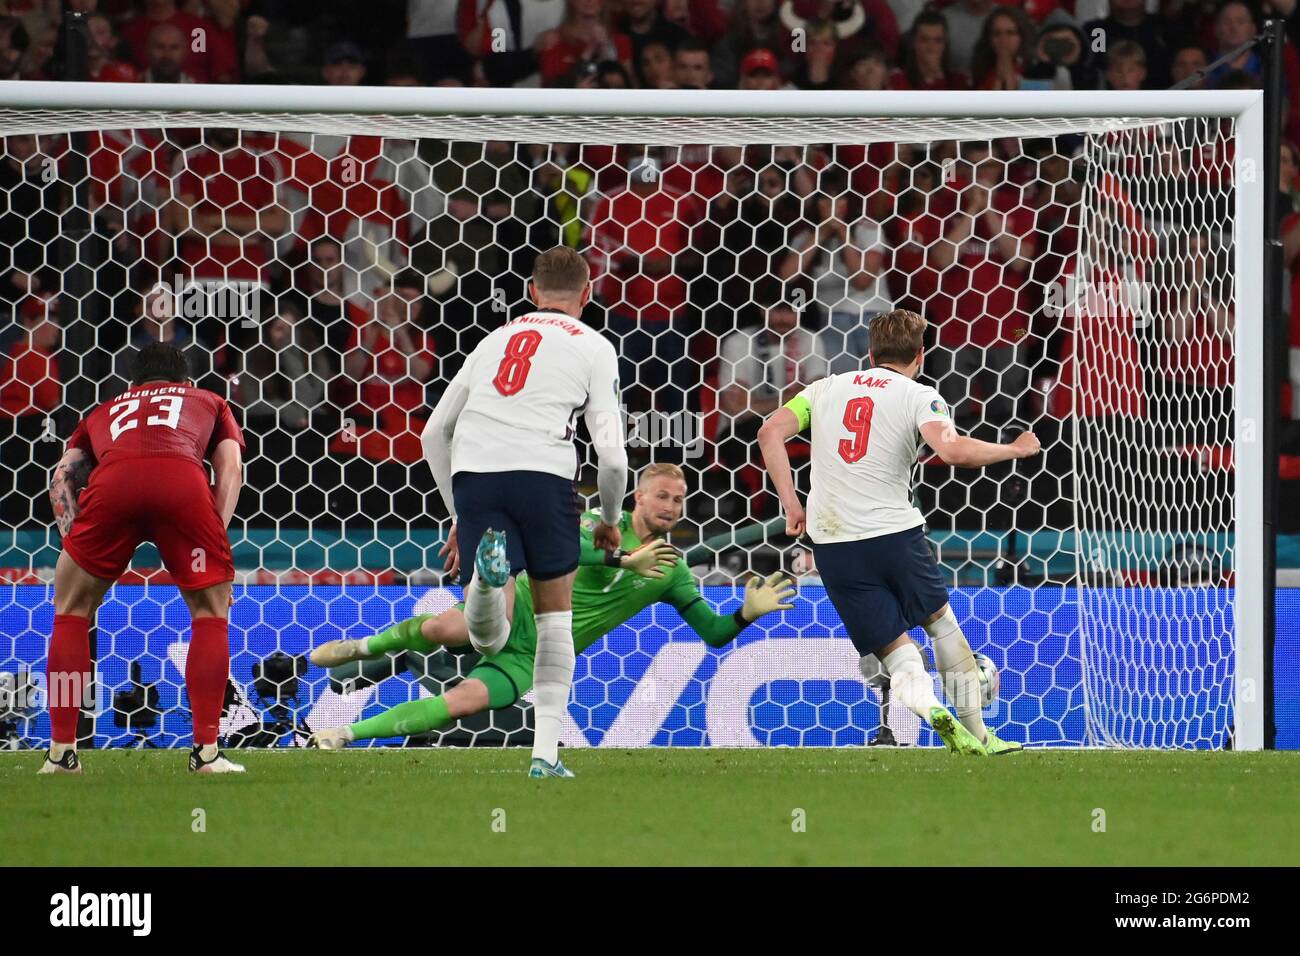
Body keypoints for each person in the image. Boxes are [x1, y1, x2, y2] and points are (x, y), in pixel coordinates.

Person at [307, 464, 795, 749]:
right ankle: (361, 646)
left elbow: (711, 631)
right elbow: (564, 548)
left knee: (462, 704)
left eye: (680, 500)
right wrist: (626, 558)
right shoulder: (605, 525)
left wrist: (745, 614)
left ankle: (343, 735)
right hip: (521, 606)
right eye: (662, 496)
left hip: (536, 654)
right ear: (639, 496)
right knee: (441, 628)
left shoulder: (674, 569)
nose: (671, 506)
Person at [756, 308, 1038, 755]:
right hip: (894, 533)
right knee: (941, 625)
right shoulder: (919, 395)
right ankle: (979, 736)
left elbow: (770, 431)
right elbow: (953, 451)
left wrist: (792, 503)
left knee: (895, 649)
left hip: (833, 542)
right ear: (921, 356)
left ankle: (928, 709)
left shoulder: (823, 388)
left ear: (870, 353)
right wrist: (1014, 449)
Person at [420, 246, 628, 778]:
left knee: (487, 635)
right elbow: (611, 454)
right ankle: (544, 756)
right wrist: (608, 518)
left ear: (532, 293)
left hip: (476, 475)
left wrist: (458, 517)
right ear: (587, 294)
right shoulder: (596, 347)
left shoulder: (492, 341)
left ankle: (489, 584)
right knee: (554, 622)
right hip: (544, 476)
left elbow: (431, 434)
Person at [41, 343, 245, 774]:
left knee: (70, 612)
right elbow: (230, 468)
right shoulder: (209, 400)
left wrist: (75, 548)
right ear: (184, 383)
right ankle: (206, 755)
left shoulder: (106, 409)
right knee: (210, 614)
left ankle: (61, 754)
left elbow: (61, 477)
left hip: (114, 487)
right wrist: (215, 547)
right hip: (182, 485)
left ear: (132, 385)